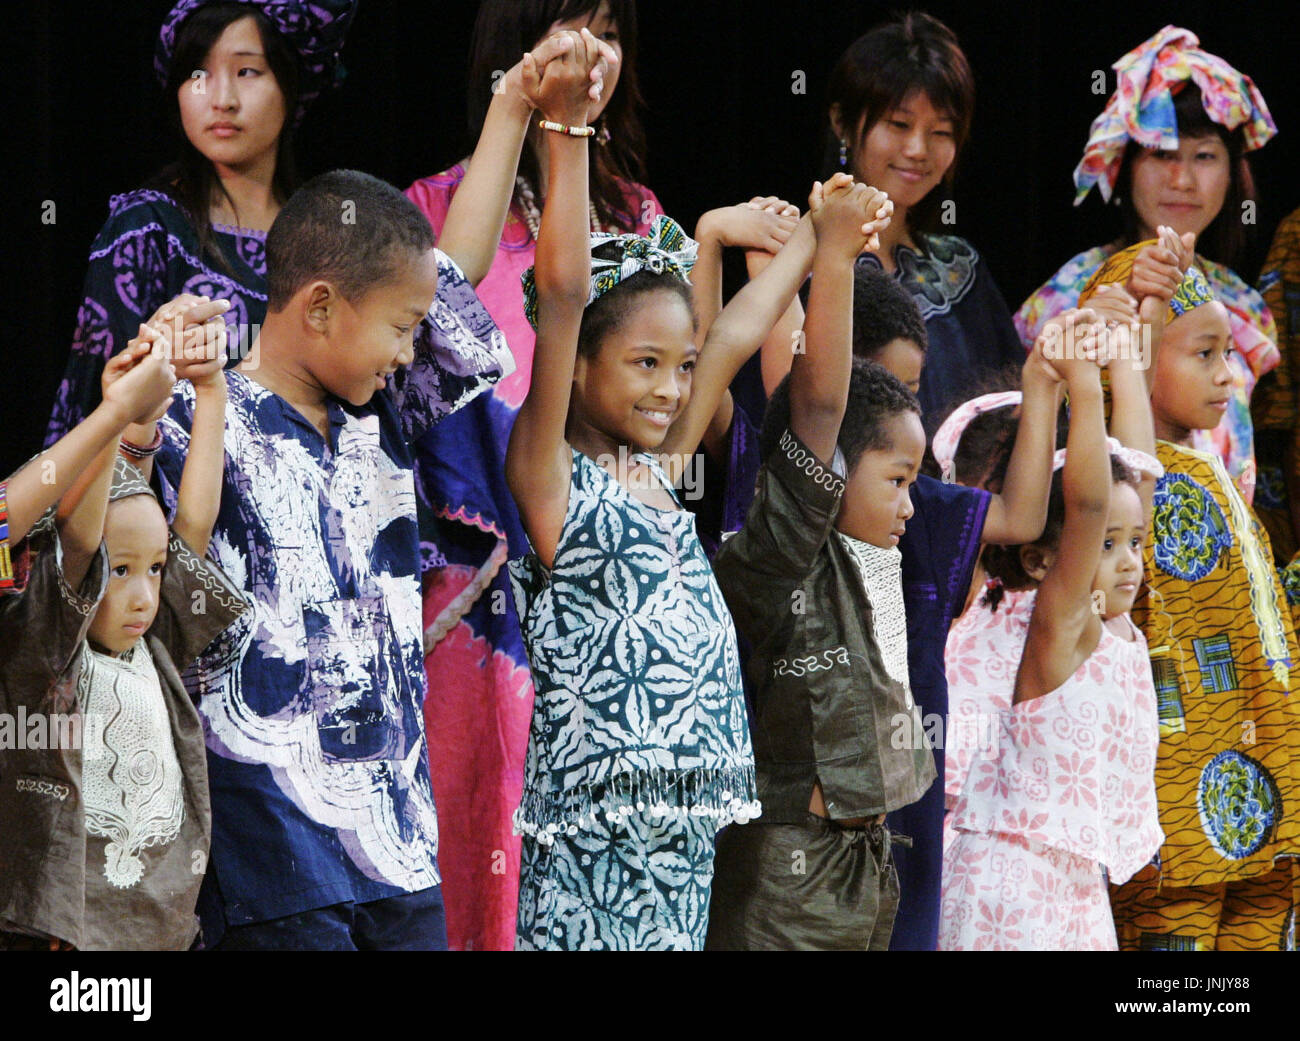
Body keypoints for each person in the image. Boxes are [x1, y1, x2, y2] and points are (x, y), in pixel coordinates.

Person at [505, 38, 879, 949]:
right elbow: (560, 295)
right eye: (642, 364)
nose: (672, 390)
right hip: (594, 845)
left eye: (677, 367)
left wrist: (820, 249)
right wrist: (566, 135)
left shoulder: (665, 466)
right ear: (579, 364)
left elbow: (735, 336)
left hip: (683, 839)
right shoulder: (550, 480)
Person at [119, 168, 513, 950]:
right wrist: (140, 402)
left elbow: (449, 267)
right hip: (268, 854)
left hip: (400, 847)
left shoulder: (385, 414)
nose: (411, 352)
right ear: (321, 306)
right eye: (402, 328)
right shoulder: (194, 419)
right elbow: (118, 570)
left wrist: (517, 105)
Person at [404, 0, 641, 950]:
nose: (588, 50)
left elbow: (667, 415)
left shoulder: (642, 224)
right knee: (472, 832)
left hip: (592, 573)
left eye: (607, 29)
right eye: (564, 28)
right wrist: (529, 114)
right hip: (465, 581)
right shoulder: (428, 209)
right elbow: (439, 320)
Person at [1, 303, 250, 950]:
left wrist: (208, 388)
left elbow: (191, 524)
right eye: (120, 572)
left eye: (155, 569)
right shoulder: (48, 646)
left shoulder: (156, 645)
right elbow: (59, 534)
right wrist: (114, 414)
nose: (144, 592)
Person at [1080, 244, 1300, 950]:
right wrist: (1132, 326)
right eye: (1203, 354)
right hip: (1171, 818)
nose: (1229, 376)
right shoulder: (1116, 485)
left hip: (1265, 804)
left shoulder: (1211, 473)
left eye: (1226, 353)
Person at [847, 267, 1066, 949]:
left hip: (909, 766)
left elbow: (1024, 513)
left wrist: (1043, 385)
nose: (901, 410)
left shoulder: (924, 508)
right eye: (884, 386)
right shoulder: (788, 495)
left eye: (911, 392)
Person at [46, 0, 358, 449]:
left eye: (247, 71)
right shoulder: (148, 229)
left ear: (291, 86)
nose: (222, 99)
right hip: (168, 505)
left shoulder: (331, 239)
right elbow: (90, 404)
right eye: (197, 75)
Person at [939, 331, 1165, 949]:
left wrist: (1122, 354)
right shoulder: (1059, 628)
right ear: (1044, 562)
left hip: (1070, 881)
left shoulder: (1110, 624)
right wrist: (1083, 392)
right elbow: (1091, 509)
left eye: (1136, 543)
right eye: (1106, 547)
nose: (1128, 562)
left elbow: (1126, 487)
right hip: (1012, 883)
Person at [1016, 26, 1280, 527]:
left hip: (1217, 560)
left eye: (1204, 157)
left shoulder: (1240, 301)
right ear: (1125, 168)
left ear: (1232, 172)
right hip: (1105, 551)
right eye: (1162, 155)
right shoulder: (1074, 290)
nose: (1182, 180)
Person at [763, 11, 1024, 427]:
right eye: (899, 124)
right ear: (841, 123)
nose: (918, 149)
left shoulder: (962, 268)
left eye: (941, 131)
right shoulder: (786, 261)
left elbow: (1009, 410)